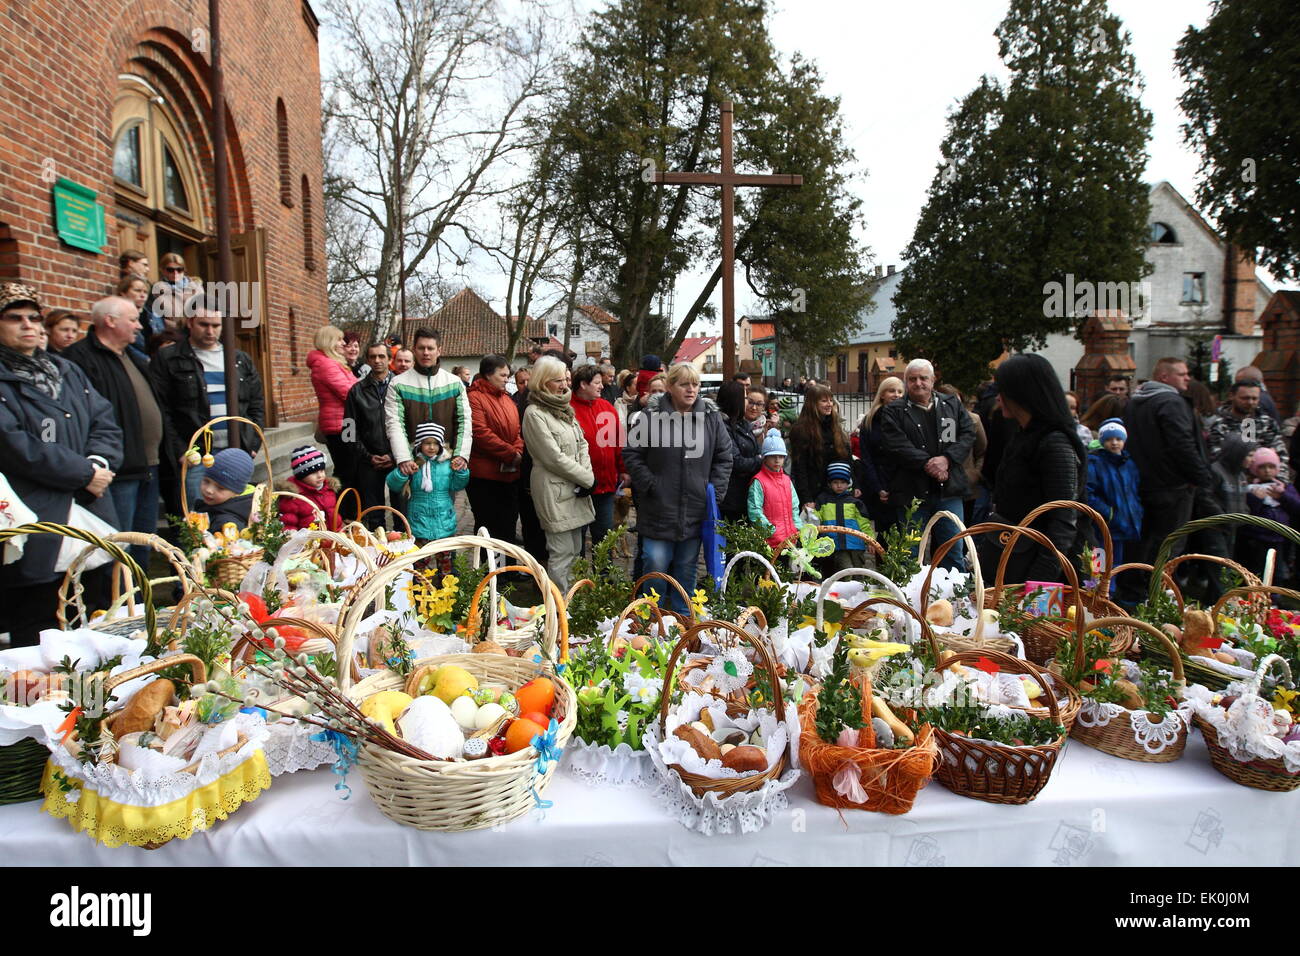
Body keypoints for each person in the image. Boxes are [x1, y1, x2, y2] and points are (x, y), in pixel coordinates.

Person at [0, 283, 122, 645]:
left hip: (90, 510)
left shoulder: (66, 370)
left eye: (34, 317)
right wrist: (84, 473)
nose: (28, 325)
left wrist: (98, 463)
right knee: (38, 631)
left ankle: (97, 696)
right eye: (14, 318)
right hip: (36, 517)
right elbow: (15, 444)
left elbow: (104, 420)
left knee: (95, 614)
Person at [63, 296, 164, 570]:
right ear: (109, 321)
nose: (139, 326)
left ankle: (142, 601)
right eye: (132, 320)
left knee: (143, 542)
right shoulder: (79, 359)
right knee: (116, 547)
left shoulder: (132, 356)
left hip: (148, 465)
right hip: (116, 473)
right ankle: (118, 606)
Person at [624, 363, 732, 613]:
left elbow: (724, 456)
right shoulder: (651, 417)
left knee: (687, 567)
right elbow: (632, 453)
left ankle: (684, 624)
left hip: (695, 509)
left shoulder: (710, 417)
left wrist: (713, 493)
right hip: (658, 508)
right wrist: (651, 484)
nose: (691, 389)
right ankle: (652, 617)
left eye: (695, 384)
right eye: (684, 384)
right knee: (655, 563)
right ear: (670, 387)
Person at [981, 353, 1086, 584]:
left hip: (1035, 570)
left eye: (1003, 391)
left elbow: (1064, 520)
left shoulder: (1055, 443)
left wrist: (1038, 585)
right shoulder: (1024, 434)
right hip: (1013, 559)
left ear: (1023, 394)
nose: (998, 398)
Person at [150, 308, 265, 510]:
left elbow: (255, 403)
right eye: (204, 324)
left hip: (235, 450)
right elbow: (162, 409)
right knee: (197, 519)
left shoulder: (239, 359)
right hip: (196, 453)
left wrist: (252, 442)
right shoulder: (170, 358)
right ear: (190, 322)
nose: (210, 331)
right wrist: (180, 449)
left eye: (216, 325)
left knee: (235, 517)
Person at [879, 359, 975, 569]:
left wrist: (947, 460)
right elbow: (896, 444)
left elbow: (968, 434)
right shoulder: (893, 411)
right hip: (911, 494)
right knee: (909, 554)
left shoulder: (952, 404)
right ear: (906, 382)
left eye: (923, 378)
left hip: (948, 491)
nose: (918, 383)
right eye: (912, 379)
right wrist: (930, 464)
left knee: (953, 549)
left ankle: (952, 598)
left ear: (933, 380)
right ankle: (908, 599)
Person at [520, 356, 594, 591]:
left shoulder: (564, 408)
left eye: (565, 379)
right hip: (554, 490)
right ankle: (560, 606)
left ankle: (574, 600)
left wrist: (585, 475)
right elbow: (552, 457)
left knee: (575, 550)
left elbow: (582, 443)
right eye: (558, 380)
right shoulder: (534, 413)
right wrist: (587, 478)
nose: (564, 385)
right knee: (561, 552)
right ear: (543, 382)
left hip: (574, 488)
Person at [384, 328, 472, 487]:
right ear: (414, 350)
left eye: (430, 348)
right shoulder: (398, 383)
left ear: (439, 350)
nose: (426, 352)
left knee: (444, 508)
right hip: (411, 464)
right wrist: (403, 458)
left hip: (445, 462)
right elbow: (394, 423)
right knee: (407, 511)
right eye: (421, 348)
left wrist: (461, 455)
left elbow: (464, 421)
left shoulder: (454, 383)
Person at [466, 354, 523, 543]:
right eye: (503, 375)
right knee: (488, 527)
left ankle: (509, 570)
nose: (507, 379)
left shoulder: (506, 398)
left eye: (508, 376)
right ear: (488, 374)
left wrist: (518, 450)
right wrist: (511, 453)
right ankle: (490, 570)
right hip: (485, 476)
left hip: (509, 474)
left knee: (508, 525)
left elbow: (516, 429)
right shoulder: (474, 398)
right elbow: (480, 433)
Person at [343, 341, 398, 528]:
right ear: (367, 360)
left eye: (381, 356)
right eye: (373, 357)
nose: (377, 360)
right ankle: (376, 555)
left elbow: (411, 424)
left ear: (389, 359)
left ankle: (405, 551)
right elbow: (348, 431)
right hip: (369, 461)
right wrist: (367, 456)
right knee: (374, 515)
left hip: (398, 458)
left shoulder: (401, 387)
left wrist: (394, 455)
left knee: (401, 511)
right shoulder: (356, 391)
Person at [386, 422, 470, 545]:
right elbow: (393, 485)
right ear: (420, 444)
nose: (432, 447)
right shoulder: (413, 463)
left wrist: (461, 472)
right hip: (419, 518)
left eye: (436, 443)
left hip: (443, 517)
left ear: (441, 445)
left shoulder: (447, 464)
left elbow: (457, 485)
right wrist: (402, 473)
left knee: (445, 559)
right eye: (427, 443)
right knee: (420, 558)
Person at [570, 363, 624, 551]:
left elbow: (618, 442)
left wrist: (623, 469)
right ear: (583, 384)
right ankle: (580, 579)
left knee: (604, 540)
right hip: (579, 488)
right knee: (578, 541)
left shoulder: (606, 407)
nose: (602, 386)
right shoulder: (568, 409)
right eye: (597, 383)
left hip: (606, 485)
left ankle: (603, 579)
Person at [307, 325, 360, 493]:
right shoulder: (326, 365)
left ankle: (346, 510)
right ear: (328, 341)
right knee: (347, 469)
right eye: (338, 339)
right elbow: (349, 392)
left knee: (350, 467)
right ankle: (341, 511)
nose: (342, 343)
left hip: (345, 422)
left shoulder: (332, 363)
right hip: (341, 425)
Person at [1085, 418, 1143, 571]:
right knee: (1099, 561)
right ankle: (1097, 591)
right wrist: (1106, 512)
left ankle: (1111, 591)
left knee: (1117, 562)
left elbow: (1134, 490)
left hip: (1122, 522)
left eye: (1118, 438)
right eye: (1109, 439)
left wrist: (1137, 511)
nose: (1114, 443)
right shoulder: (1095, 462)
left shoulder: (1128, 463)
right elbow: (1089, 492)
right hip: (1105, 522)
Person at [1207, 379, 1289, 481]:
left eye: (1254, 399)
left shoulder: (1267, 423)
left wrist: (1280, 482)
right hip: (1232, 485)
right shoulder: (1218, 424)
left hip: (1267, 484)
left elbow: (1281, 454)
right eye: (1245, 398)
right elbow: (1217, 457)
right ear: (1232, 396)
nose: (1250, 402)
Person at [1238, 447, 1300, 581]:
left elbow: (1296, 507)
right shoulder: (1250, 488)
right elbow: (1246, 512)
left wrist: (1283, 496)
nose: (1267, 471)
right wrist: (1256, 499)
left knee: (1278, 571)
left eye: (1271, 466)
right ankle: (1255, 597)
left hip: (1281, 537)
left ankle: (1275, 598)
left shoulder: (1285, 487)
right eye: (1262, 467)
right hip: (1257, 537)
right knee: (1257, 570)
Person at [789, 384, 851, 512]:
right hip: (814, 493)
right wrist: (806, 498)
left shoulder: (835, 426)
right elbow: (800, 467)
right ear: (813, 403)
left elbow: (847, 458)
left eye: (830, 400)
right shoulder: (801, 430)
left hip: (836, 490)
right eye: (824, 401)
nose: (829, 404)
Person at [856, 376, 904, 536]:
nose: (896, 394)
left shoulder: (908, 419)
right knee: (884, 534)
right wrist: (879, 488)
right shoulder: (869, 422)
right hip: (879, 484)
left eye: (900, 391)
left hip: (902, 486)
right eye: (892, 390)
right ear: (882, 394)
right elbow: (867, 458)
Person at [814, 460, 872, 574]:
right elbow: (815, 521)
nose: (839, 485)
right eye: (835, 482)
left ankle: (859, 592)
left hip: (856, 545)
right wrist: (810, 510)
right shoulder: (822, 501)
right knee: (846, 572)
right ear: (829, 483)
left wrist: (870, 540)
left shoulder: (855, 502)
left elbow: (864, 524)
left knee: (859, 574)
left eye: (842, 482)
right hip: (836, 546)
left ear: (848, 483)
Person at [748, 428, 801, 550]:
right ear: (765, 458)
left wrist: (797, 528)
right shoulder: (759, 481)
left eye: (781, 456)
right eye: (772, 456)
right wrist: (771, 531)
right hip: (770, 543)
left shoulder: (787, 480)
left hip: (790, 540)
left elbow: (794, 506)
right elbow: (755, 511)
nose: (777, 460)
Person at [718, 381, 761, 523]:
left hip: (748, 494)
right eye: (745, 398)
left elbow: (755, 450)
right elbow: (736, 461)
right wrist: (761, 459)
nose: (747, 402)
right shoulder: (722, 427)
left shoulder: (742, 424)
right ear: (735, 400)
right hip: (733, 499)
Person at [1210, 433, 1257, 556]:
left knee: (1229, 563)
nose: (1253, 460)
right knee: (1219, 563)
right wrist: (1222, 517)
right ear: (1237, 454)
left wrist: (1245, 514)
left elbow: (1243, 500)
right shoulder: (1215, 471)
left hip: (1233, 528)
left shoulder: (1241, 475)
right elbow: (1205, 498)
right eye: (1250, 455)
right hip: (1214, 528)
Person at [278, 445, 341, 531]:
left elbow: (334, 515)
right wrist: (293, 537)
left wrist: (340, 531)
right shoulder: (294, 498)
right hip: (309, 541)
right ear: (301, 476)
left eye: (322, 471)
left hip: (333, 538)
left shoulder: (328, 490)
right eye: (314, 473)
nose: (320, 475)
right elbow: (289, 524)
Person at [193, 448, 257, 528]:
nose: (209, 490)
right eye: (206, 481)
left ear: (237, 492)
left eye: (220, 488)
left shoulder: (225, 523)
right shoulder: (217, 505)